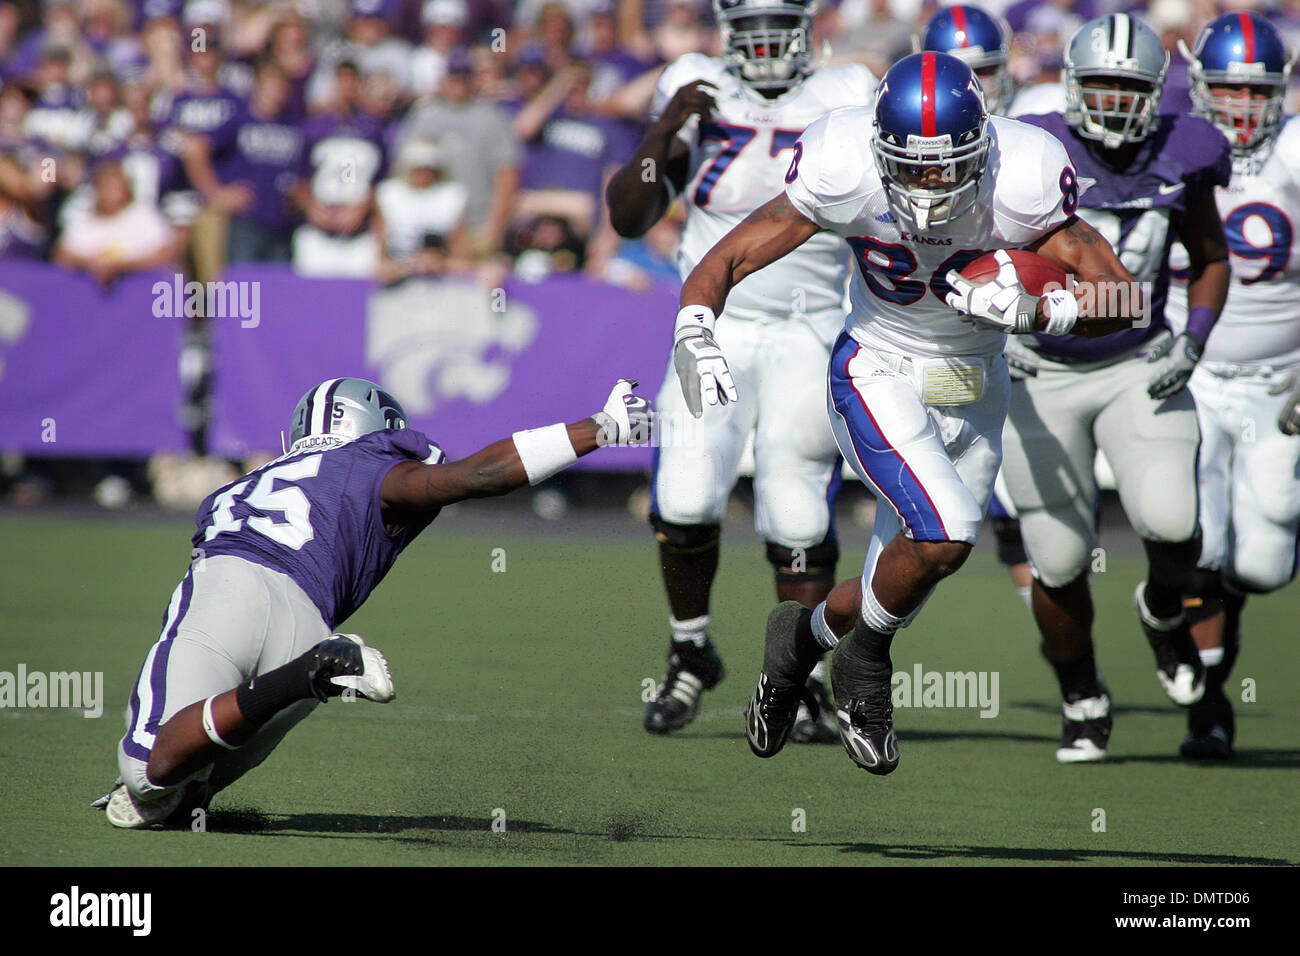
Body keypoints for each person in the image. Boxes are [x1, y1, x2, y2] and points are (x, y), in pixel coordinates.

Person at [677, 50, 1138, 773]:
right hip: (878, 365)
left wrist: (1044, 311)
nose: (929, 183)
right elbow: (733, 254)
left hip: (976, 381)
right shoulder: (841, 161)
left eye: (947, 165)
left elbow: (1122, 296)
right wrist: (693, 324)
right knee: (949, 533)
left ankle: (795, 648)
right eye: (911, 165)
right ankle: (864, 674)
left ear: (983, 145)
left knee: (905, 574)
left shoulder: (1024, 175)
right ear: (876, 147)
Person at [95, 376, 652, 828]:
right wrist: (598, 429)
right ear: (380, 426)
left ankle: (316, 670)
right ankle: (314, 671)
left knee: (151, 767)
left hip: (232, 586)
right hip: (308, 625)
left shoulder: (244, 483)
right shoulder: (371, 466)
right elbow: (476, 477)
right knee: (178, 796)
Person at [605, 0, 877, 742]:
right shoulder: (698, 85)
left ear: (804, 31)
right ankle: (691, 649)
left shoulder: (846, 93)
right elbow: (629, 216)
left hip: (811, 325)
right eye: (748, 32)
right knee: (686, 498)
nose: (762, 47)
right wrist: (665, 128)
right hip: (713, 328)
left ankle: (805, 679)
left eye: (775, 29)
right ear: (727, 36)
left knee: (797, 511)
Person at [1003, 12, 1232, 762]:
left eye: (1126, 86)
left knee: (1172, 524)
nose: (1109, 99)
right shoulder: (1025, 146)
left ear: (1152, 91)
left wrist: (1194, 341)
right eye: (1096, 83)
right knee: (1059, 559)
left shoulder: (1187, 146)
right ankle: (1082, 694)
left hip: (1139, 363)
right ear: (1069, 85)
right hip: (1040, 370)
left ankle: (1163, 610)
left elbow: (1209, 256)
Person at [1165, 11, 1300, 759]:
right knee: (1202, 538)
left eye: (1257, 92)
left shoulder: (1294, 150)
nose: (1244, 107)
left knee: (1263, 561)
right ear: (1202, 87)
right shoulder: (1179, 144)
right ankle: (1210, 705)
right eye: (1229, 90)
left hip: (1281, 383)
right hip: (1195, 375)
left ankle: (1216, 648)